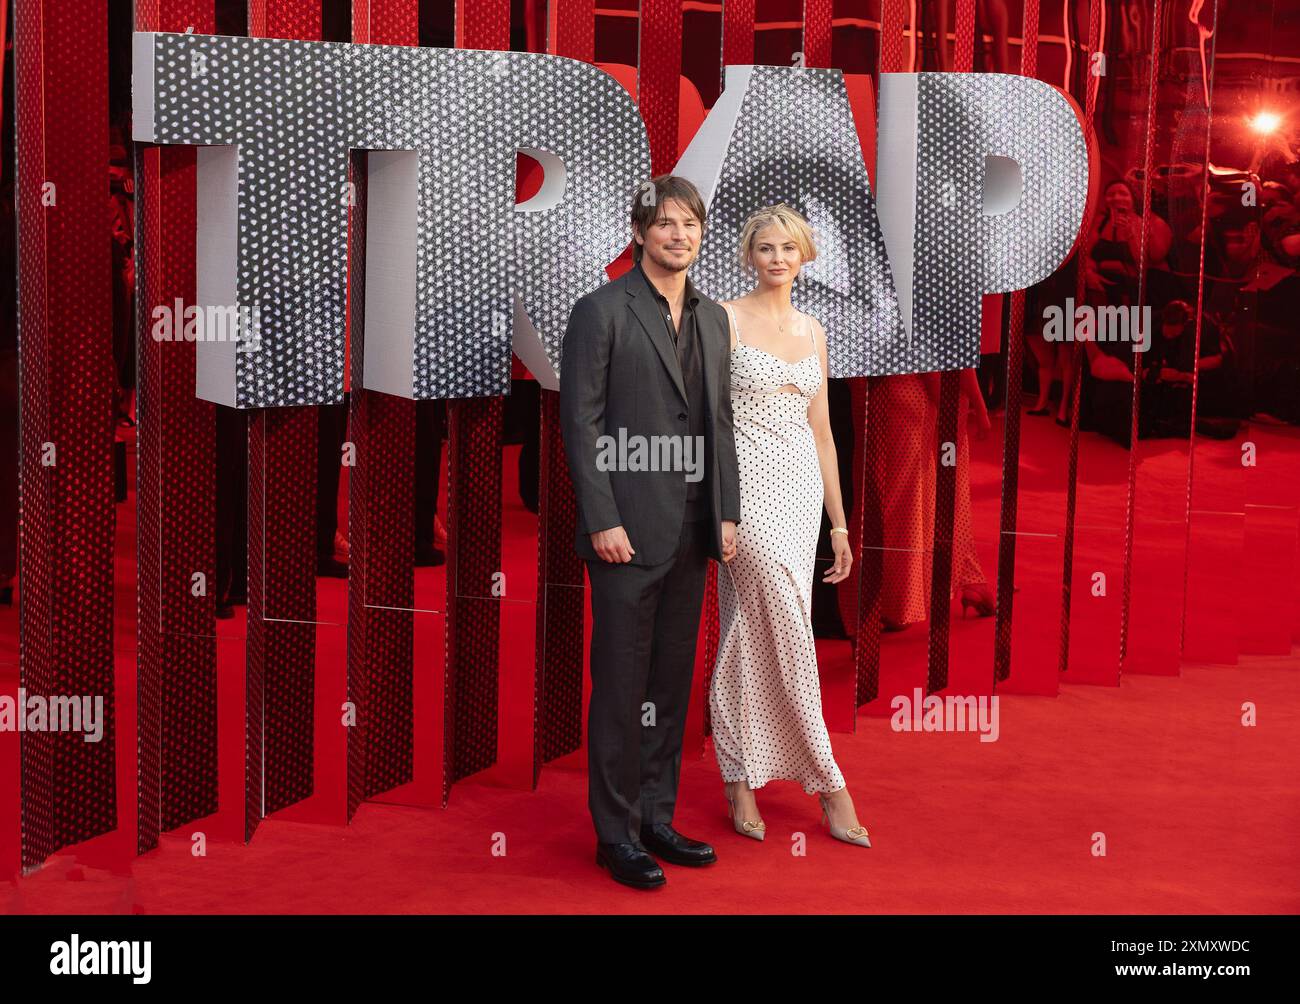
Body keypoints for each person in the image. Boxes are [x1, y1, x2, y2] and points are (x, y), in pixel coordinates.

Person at [559, 174, 741, 890]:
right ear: (639, 233)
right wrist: (602, 516)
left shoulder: (713, 318)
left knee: (670, 684)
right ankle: (617, 834)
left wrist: (725, 511)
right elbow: (582, 423)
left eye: (690, 225)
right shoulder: (600, 311)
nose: (679, 236)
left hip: (695, 527)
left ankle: (659, 819)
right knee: (621, 686)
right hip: (627, 532)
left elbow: (717, 422)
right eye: (665, 225)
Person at [710, 203, 870, 848]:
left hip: (801, 489)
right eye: (766, 248)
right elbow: (707, 417)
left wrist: (838, 525)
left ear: (806, 256)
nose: (777, 258)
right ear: (749, 255)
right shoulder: (722, 317)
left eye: (788, 248)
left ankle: (740, 774)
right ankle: (830, 782)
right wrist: (715, 504)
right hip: (744, 486)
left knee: (754, 627)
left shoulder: (813, 328)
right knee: (783, 621)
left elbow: (824, 432)